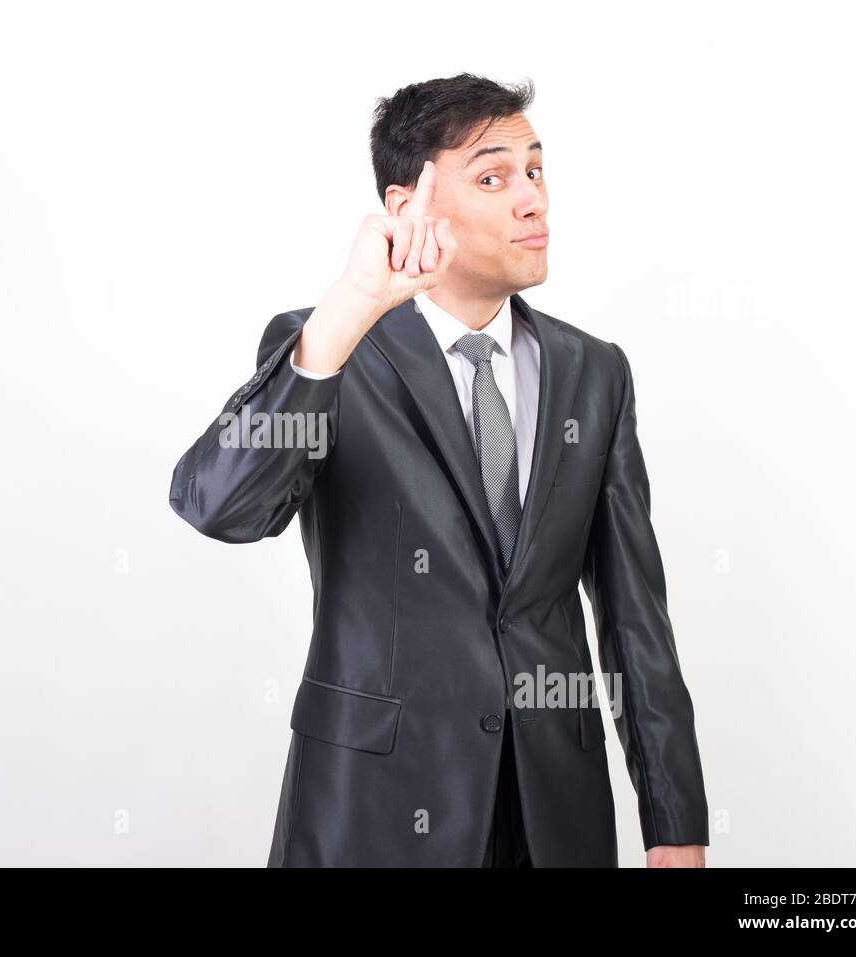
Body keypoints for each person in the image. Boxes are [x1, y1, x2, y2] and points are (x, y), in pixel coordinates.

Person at [168, 73, 709, 867]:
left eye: (535, 169)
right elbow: (219, 504)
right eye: (493, 177)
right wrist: (347, 311)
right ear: (403, 207)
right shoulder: (331, 347)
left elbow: (635, 617)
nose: (532, 199)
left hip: (552, 813)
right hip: (374, 810)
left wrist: (675, 822)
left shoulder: (595, 371)